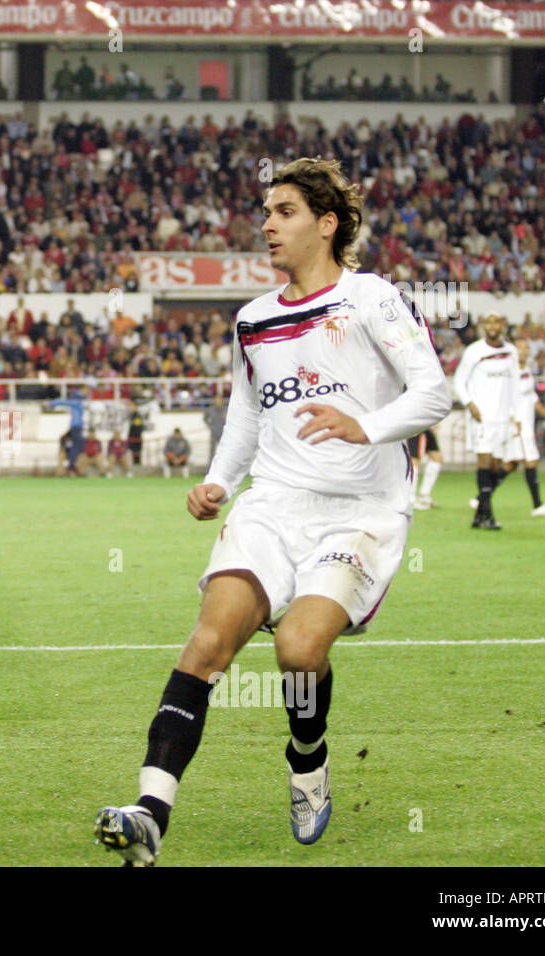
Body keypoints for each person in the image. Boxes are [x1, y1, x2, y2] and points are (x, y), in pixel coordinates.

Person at [93, 158, 450, 865]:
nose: (267, 223)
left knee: (298, 651)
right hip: (273, 506)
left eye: (284, 210)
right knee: (207, 643)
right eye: (266, 211)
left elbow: (433, 392)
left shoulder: (372, 298)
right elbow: (246, 417)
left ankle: (307, 758)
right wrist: (218, 481)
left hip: (360, 512)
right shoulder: (252, 319)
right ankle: (150, 812)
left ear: (327, 223)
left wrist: (365, 426)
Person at [452, 312, 518, 530]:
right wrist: (470, 404)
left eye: (496, 321)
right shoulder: (474, 351)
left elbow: (515, 385)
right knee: (485, 461)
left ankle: (479, 513)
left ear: (502, 324)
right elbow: (459, 381)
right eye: (488, 321)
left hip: (503, 418)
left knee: (498, 465)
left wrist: (515, 415)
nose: (492, 325)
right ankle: (488, 516)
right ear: (483, 325)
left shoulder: (511, 351)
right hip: (481, 416)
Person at [502, 337, 545, 517]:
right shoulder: (509, 373)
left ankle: (481, 497)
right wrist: (513, 419)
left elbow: (532, 398)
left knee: (511, 464)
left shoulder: (526, 370)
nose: (523, 351)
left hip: (527, 423)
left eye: (526, 347)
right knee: (530, 461)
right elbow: (504, 397)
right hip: (518, 424)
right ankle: (538, 506)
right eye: (519, 347)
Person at [406, 428, 442, 509]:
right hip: (416, 425)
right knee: (414, 460)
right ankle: (410, 499)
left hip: (427, 425)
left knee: (437, 458)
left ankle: (424, 496)